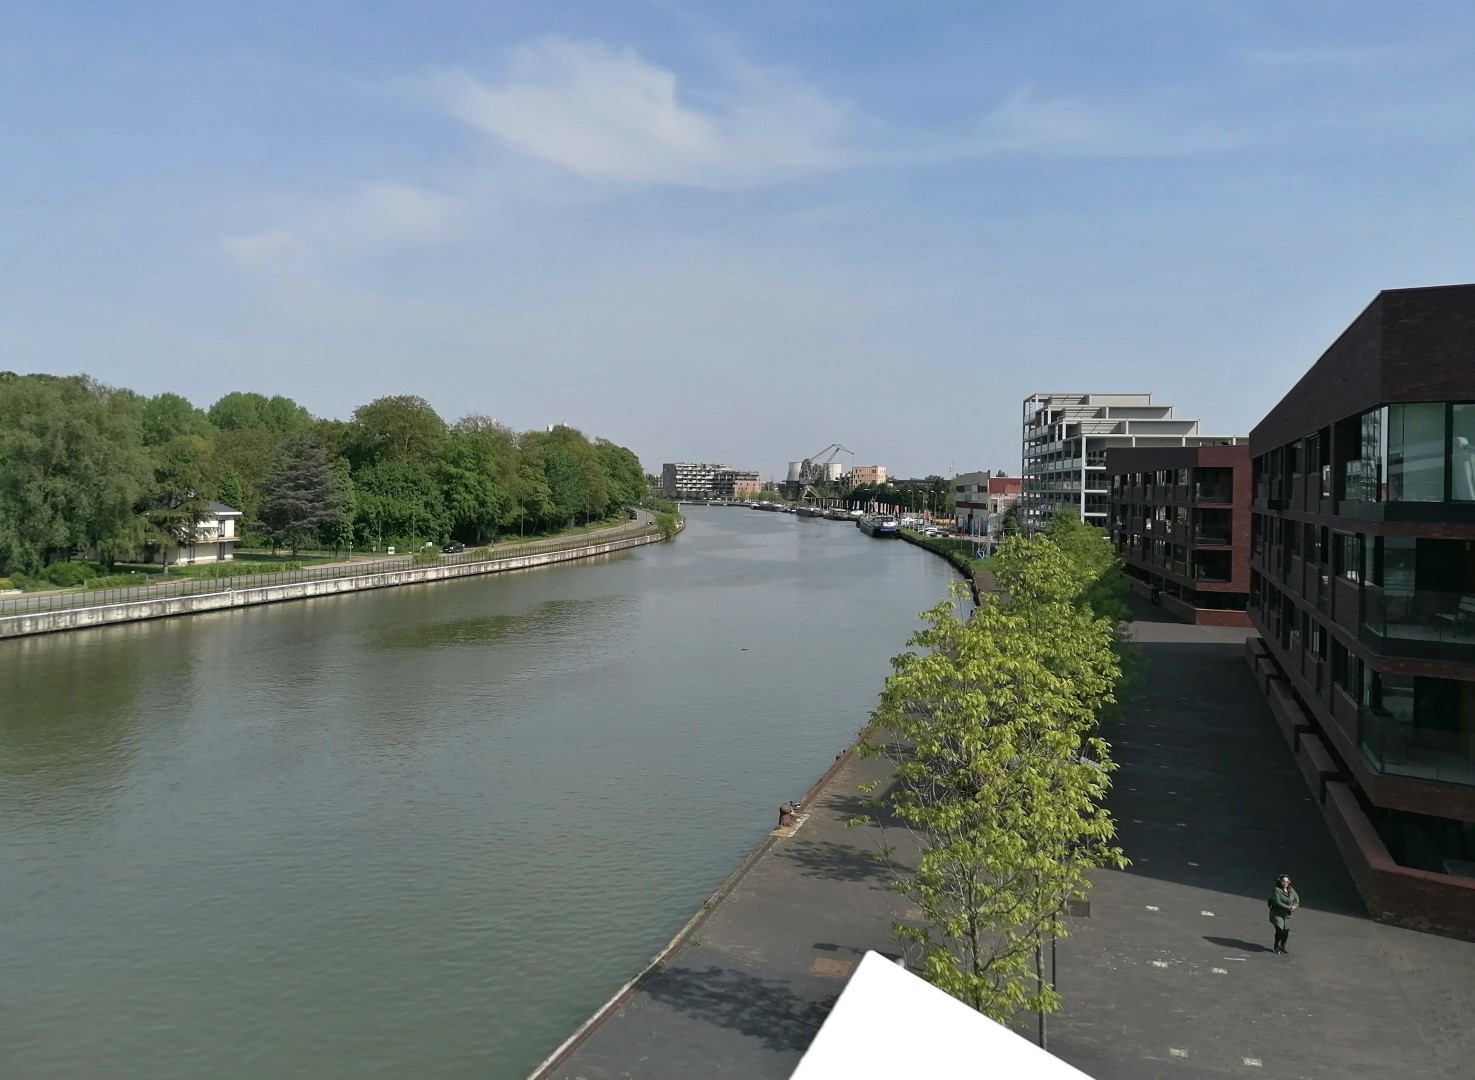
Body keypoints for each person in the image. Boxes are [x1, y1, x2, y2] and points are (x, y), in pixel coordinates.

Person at [1268, 874, 1299, 953]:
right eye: (1283, 881)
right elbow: (1278, 902)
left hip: (1288, 915)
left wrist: (1295, 906)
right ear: (1280, 882)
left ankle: (1282, 946)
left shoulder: (1291, 890)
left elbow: (1296, 898)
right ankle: (1276, 945)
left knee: (1286, 932)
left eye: (1287, 881)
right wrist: (1289, 907)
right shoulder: (1277, 890)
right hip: (1277, 913)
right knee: (1280, 930)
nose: (1285, 883)